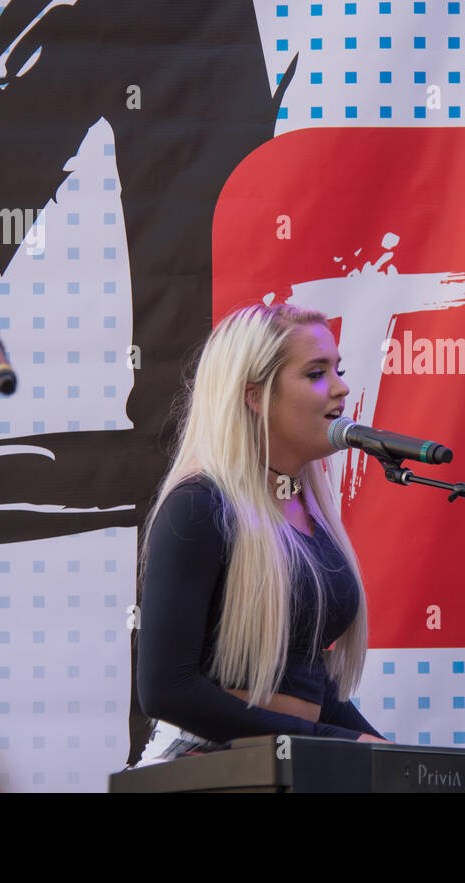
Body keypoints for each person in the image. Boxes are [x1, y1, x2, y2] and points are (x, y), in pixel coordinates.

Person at [133, 303, 387, 764]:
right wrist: (338, 743)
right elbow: (167, 689)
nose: (341, 388)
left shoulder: (310, 510)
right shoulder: (199, 506)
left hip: (287, 762)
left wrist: (388, 751)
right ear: (255, 396)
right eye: (315, 374)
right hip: (207, 762)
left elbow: (302, 681)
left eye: (337, 369)